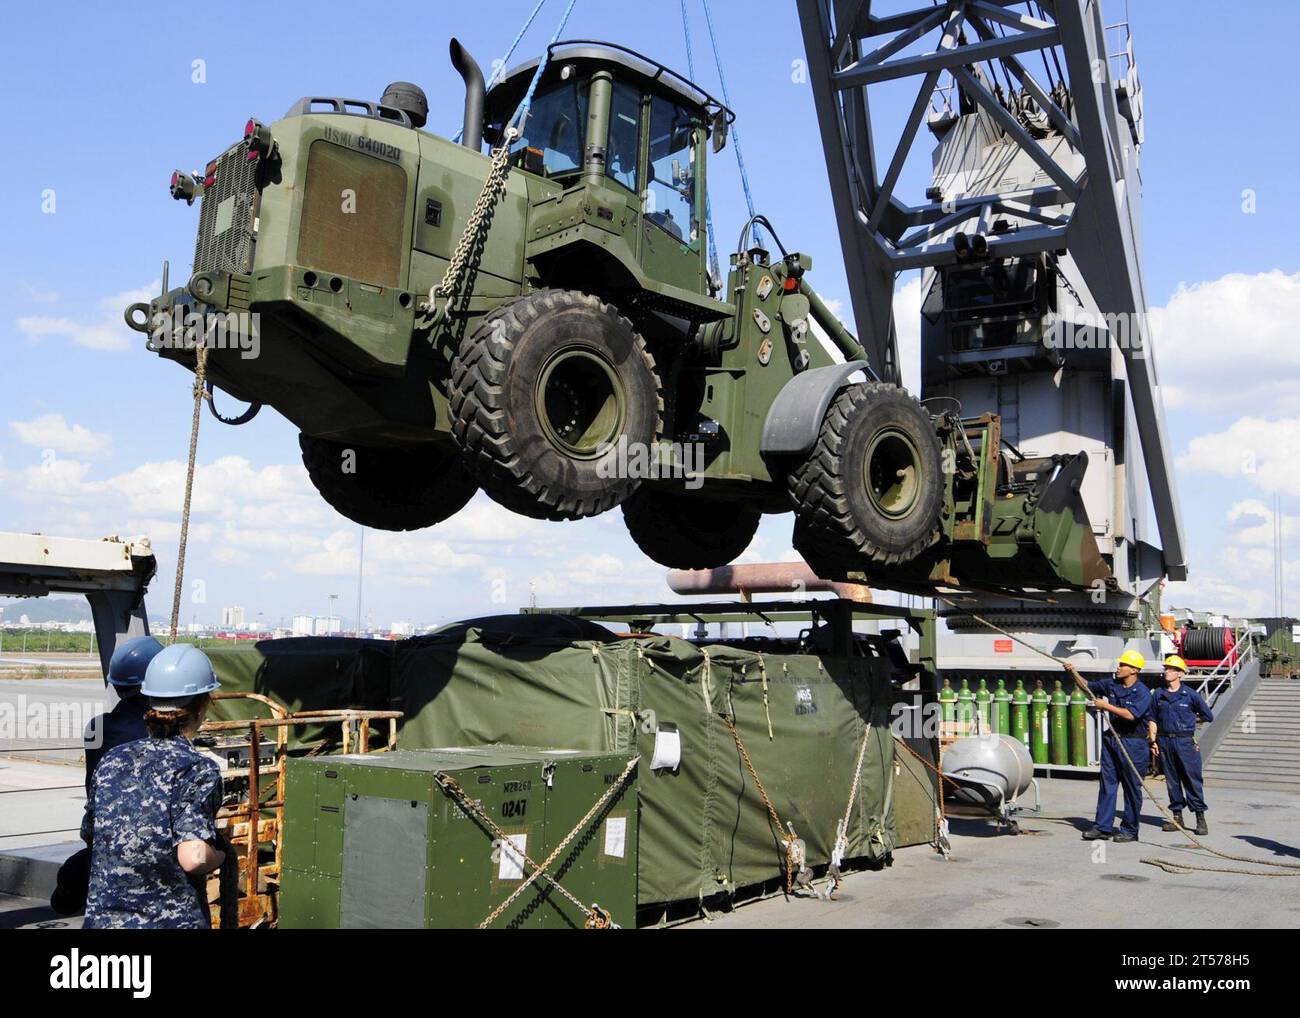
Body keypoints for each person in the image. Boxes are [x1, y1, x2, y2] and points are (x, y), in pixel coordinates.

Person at [81, 643, 226, 929]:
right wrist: (221, 855)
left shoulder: (114, 758)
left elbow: (90, 833)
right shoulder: (196, 768)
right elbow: (194, 857)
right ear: (200, 709)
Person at [50, 635, 163, 916]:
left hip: (100, 829)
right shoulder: (160, 735)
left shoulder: (96, 727)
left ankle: (72, 887)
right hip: (148, 843)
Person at [1063, 649, 1155, 843]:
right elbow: (1086, 686)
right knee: (1108, 784)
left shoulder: (1143, 692)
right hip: (1112, 739)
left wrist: (1106, 706)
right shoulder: (1112, 684)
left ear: (1134, 670)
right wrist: (1073, 672)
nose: (1119, 667)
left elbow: (1132, 715)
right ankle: (1103, 827)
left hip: (1134, 743)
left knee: (1131, 788)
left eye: (1123, 665)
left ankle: (1130, 830)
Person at [1152, 654, 1214, 835]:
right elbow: (1152, 718)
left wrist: (1190, 720)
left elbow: (1208, 716)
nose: (1167, 672)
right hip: (1164, 741)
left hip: (1185, 741)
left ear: (1180, 673)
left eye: (1171, 669)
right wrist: (1153, 741)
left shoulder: (1190, 695)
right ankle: (1177, 817)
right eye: (1166, 668)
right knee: (1172, 780)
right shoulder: (1159, 694)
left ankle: (1200, 818)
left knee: (1192, 780)